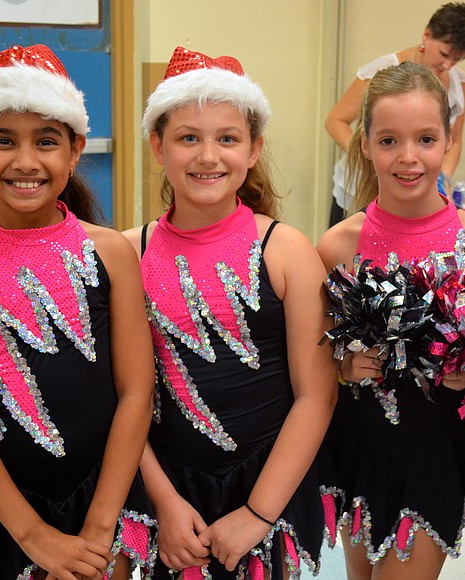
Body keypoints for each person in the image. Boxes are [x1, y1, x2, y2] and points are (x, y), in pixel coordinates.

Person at [0, 45, 158, 579]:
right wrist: (35, 535)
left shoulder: (110, 252)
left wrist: (99, 527)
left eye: (45, 142)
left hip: (103, 496)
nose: (25, 162)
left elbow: (136, 391)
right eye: (3, 141)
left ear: (74, 152)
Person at [123, 47, 337, 579]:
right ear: (158, 146)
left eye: (227, 138)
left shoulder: (284, 250)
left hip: (266, 481)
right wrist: (165, 502)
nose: (207, 156)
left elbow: (317, 393)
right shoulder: (128, 253)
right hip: (164, 487)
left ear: (254, 148)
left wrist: (258, 513)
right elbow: (120, 397)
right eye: (188, 137)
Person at [317, 61, 465, 580]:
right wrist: (340, 367)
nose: (408, 158)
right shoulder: (337, 246)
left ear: (447, 140)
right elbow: (310, 358)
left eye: (426, 139)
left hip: (438, 454)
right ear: (364, 143)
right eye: (389, 140)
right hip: (360, 447)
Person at [325, 2, 465, 225]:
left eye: (457, 59)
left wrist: (441, 176)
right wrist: (374, 158)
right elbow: (335, 121)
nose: (448, 64)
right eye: (444, 53)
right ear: (426, 35)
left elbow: (455, 141)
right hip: (363, 189)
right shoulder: (379, 72)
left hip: (414, 193)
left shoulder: (459, 83)